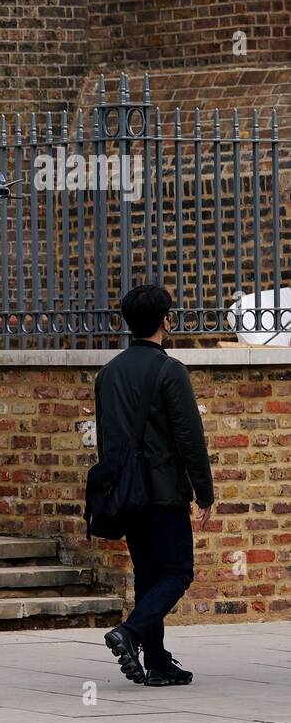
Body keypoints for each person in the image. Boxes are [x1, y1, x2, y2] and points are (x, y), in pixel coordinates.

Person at [96, 285, 213, 687]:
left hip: (125, 491)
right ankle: (130, 633)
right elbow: (189, 438)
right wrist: (205, 492)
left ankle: (158, 661)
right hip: (163, 491)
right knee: (178, 571)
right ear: (166, 320)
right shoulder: (170, 370)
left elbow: (105, 437)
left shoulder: (108, 373)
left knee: (148, 574)